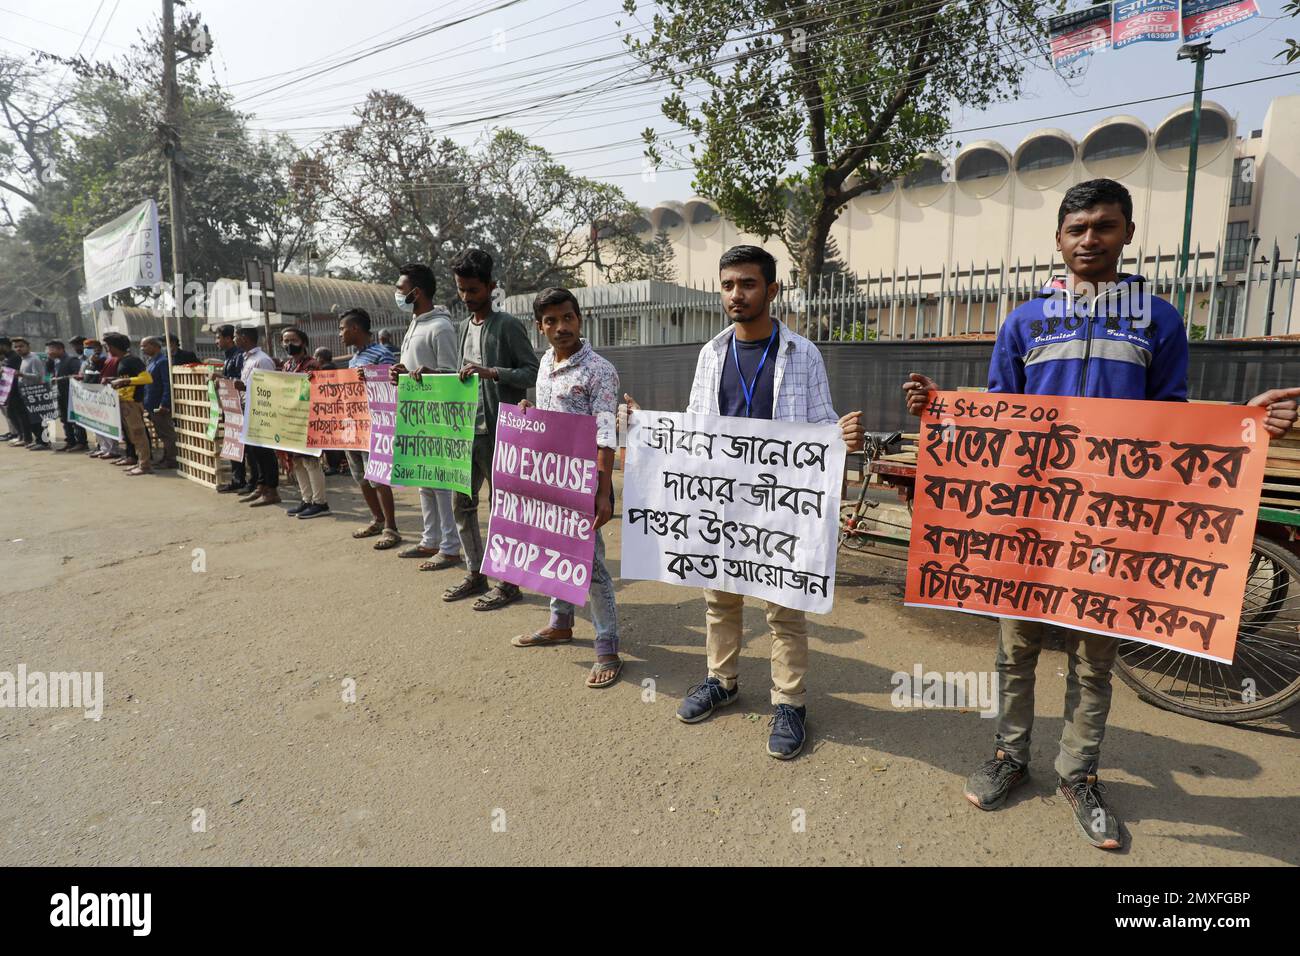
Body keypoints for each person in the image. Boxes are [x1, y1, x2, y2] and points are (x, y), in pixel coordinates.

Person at [902, 177, 1300, 850]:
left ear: (1128, 234)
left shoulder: (1159, 319)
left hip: (1113, 530)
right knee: (1015, 651)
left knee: (1093, 660)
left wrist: (1249, 423)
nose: (1090, 240)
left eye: (1104, 227)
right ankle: (1009, 757)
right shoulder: (1026, 321)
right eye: (1077, 229)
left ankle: (1078, 773)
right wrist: (941, 413)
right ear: (1058, 240)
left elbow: (1171, 424)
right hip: (1031, 526)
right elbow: (1002, 418)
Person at [625, 245, 864, 759]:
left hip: (780, 507)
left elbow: (823, 425)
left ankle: (791, 702)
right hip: (722, 502)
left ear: (772, 290)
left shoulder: (803, 354)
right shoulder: (710, 354)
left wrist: (842, 438)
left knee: (785, 609)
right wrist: (650, 429)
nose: (737, 294)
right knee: (719, 598)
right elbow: (695, 428)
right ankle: (722, 680)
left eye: (749, 284)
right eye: (729, 284)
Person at [510, 288, 623, 688]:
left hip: (584, 483)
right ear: (540, 328)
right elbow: (546, 418)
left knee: (591, 566)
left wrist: (603, 491)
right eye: (551, 321)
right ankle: (560, 624)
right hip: (549, 478)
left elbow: (606, 434)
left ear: (580, 318)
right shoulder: (544, 363)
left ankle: (607, 645)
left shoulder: (599, 370)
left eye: (568, 318)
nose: (561, 327)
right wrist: (528, 414)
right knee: (554, 550)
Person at [443, 248, 541, 610]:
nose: (466, 297)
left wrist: (493, 372)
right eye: (461, 290)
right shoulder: (464, 326)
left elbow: (532, 371)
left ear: (490, 287)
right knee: (461, 505)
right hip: (467, 433)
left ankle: (508, 583)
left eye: (472, 290)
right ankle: (475, 573)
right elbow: (459, 377)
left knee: (503, 509)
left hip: (501, 434)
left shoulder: (507, 326)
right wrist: (417, 373)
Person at [390, 262, 462, 571]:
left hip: (437, 415)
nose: (397, 293)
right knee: (424, 482)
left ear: (416, 292)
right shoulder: (416, 323)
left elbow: (452, 374)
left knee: (441, 484)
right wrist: (401, 374)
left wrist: (429, 375)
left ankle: (450, 547)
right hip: (415, 413)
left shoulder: (441, 327)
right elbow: (416, 366)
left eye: (400, 289)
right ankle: (430, 539)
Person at [339, 308, 402, 549]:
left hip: (375, 426)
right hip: (352, 425)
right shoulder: (354, 359)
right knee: (361, 476)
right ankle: (376, 519)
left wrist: (373, 377)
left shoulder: (382, 354)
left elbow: (391, 384)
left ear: (355, 328)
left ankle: (391, 527)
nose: (340, 334)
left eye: (342, 329)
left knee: (378, 476)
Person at [281, 327, 330, 519]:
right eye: (285, 341)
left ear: (302, 341)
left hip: (309, 420)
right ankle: (306, 499)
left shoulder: (312, 365)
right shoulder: (286, 366)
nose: (289, 344)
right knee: (297, 461)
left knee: (310, 461)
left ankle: (320, 502)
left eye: (293, 340)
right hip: (291, 420)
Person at [231, 326, 280, 506]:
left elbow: (270, 387)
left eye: (236, 336)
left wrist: (245, 388)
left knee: (265, 452)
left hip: (262, 411)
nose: (234, 339)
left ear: (244, 337)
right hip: (249, 409)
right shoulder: (248, 359)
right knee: (254, 451)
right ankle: (261, 486)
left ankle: (272, 490)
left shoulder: (262, 360)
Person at [104, 332, 153, 474]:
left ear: (115, 346)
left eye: (108, 346)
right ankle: (140, 461)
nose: (107, 349)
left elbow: (147, 378)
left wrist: (124, 381)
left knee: (138, 434)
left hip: (132, 403)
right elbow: (130, 377)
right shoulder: (122, 361)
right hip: (125, 402)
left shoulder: (132, 360)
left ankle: (145, 465)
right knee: (132, 435)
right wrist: (115, 379)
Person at [214, 325, 250, 493]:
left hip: (240, 406)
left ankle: (247, 480)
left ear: (228, 338)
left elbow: (241, 381)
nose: (216, 342)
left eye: (218, 338)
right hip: (230, 407)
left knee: (245, 446)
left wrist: (222, 378)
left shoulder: (239, 357)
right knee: (234, 443)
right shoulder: (229, 357)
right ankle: (238, 479)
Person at [139, 337, 178, 470]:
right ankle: (166, 457)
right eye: (141, 346)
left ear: (155, 346)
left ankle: (171, 459)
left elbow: (167, 384)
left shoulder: (162, 362)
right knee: (161, 433)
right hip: (151, 403)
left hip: (159, 405)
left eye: (145, 346)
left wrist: (164, 404)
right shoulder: (151, 362)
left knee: (167, 434)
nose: (142, 349)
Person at [47, 340, 86, 452]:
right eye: (48, 350)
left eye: (51, 349)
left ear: (60, 349)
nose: (49, 352)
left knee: (75, 419)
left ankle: (82, 442)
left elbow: (78, 376)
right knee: (64, 419)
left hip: (71, 395)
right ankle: (70, 441)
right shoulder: (54, 362)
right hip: (60, 394)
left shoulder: (72, 360)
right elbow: (49, 375)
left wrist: (60, 379)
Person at [314, 347, 348, 476]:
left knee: (330, 439)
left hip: (328, 409)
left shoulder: (324, 370)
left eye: (316, 356)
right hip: (337, 408)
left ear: (321, 358)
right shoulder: (335, 367)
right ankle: (341, 464)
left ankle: (334, 465)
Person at [13, 337, 51, 450]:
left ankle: (44, 442)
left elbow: (39, 377)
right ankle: (39, 440)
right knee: (32, 419)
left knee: (38, 419)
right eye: (16, 347)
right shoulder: (23, 359)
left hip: (35, 392)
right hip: (26, 393)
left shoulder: (34, 359)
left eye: (21, 346)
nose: (18, 349)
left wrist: (22, 375)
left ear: (28, 347)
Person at [0, 336, 31, 445]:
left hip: (16, 391)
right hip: (8, 392)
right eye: (16, 346)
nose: (18, 348)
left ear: (3, 346)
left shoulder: (15, 357)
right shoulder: (7, 358)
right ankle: (20, 435)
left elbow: (15, 374)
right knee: (12, 414)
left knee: (20, 415)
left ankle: (26, 438)